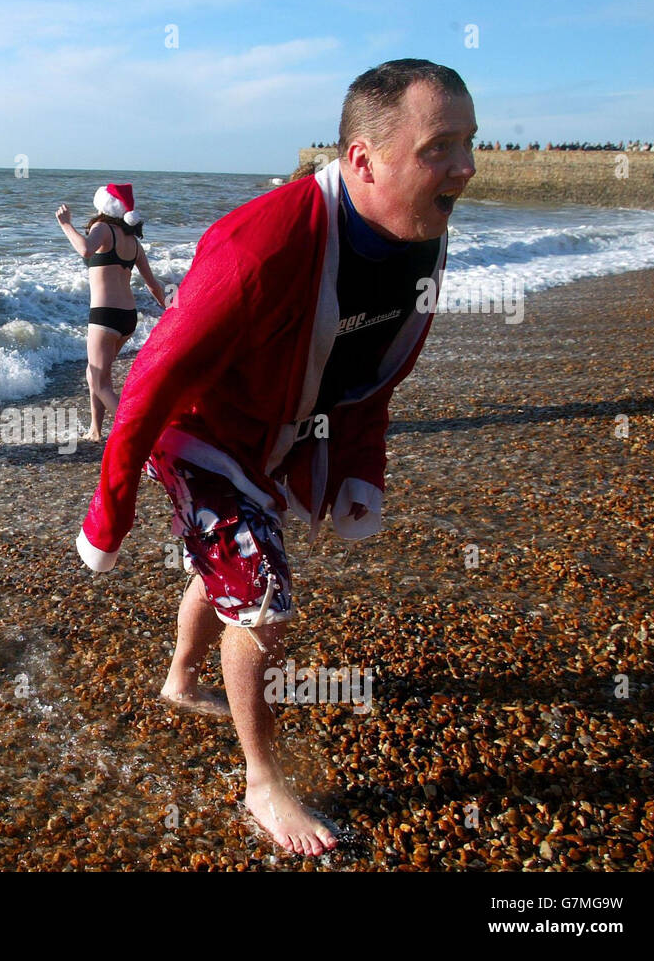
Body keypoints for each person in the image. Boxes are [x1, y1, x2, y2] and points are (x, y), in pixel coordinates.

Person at [73, 59, 477, 856]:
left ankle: (181, 678)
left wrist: (364, 464)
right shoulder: (260, 249)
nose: (465, 167)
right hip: (193, 435)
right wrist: (108, 514)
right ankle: (262, 784)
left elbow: (372, 369)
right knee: (260, 594)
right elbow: (151, 375)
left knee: (220, 564)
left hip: (274, 436)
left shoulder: (417, 237)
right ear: (362, 160)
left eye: (470, 143)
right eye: (441, 148)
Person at [56, 184, 166, 442]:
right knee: (94, 374)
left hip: (105, 317)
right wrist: (176, 307)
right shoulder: (133, 242)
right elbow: (153, 285)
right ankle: (95, 429)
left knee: (100, 382)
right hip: (128, 319)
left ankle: (138, 437)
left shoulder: (102, 229)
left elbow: (85, 249)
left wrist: (65, 224)